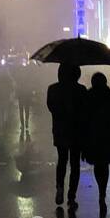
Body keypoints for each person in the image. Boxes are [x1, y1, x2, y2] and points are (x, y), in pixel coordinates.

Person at [46, 64, 87, 209]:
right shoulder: (81, 90)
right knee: (75, 164)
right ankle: (71, 196)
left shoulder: (53, 89)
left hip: (60, 130)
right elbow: (85, 112)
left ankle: (59, 188)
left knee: (62, 160)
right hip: (76, 132)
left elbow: (51, 107)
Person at [84, 71, 110, 218]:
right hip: (107, 135)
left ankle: (101, 189)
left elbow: (83, 116)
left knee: (98, 164)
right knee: (104, 165)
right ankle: (102, 191)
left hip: (92, 135)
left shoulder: (88, 95)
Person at [14, 66, 36, 138]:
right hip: (26, 98)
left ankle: (22, 124)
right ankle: (26, 123)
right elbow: (30, 89)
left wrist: (16, 95)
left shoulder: (19, 81)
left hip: (21, 98)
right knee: (26, 111)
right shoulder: (28, 81)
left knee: (21, 111)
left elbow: (17, 89)